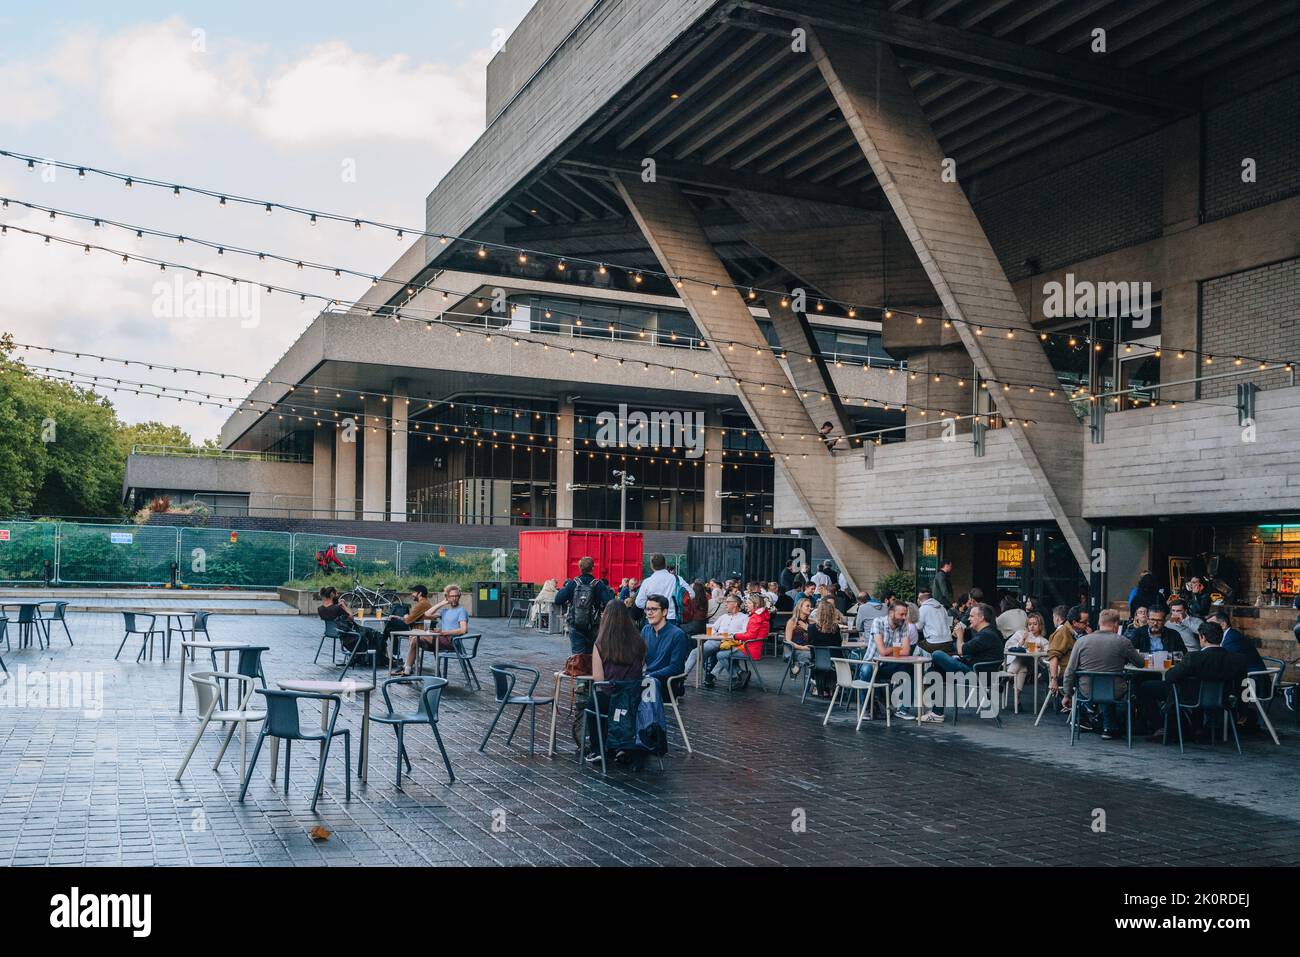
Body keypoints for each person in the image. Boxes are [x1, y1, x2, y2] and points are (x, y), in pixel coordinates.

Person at [1150, 621, 1248, 742]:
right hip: (1224, 699)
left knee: (1148, 687)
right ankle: (1195, 728)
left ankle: (1163, 727)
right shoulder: (1237, 659)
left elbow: (1170, 677)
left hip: (1192, 699)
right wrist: (1243, 710)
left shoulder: (1193, 658)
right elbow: (1244, 685)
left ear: (1202, 637)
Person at [1060, 608, 1144, 740]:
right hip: (1115, 691)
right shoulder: (1123, 642)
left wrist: (1067, 694)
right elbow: (1140, 663)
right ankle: (1110, 727)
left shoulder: (1082, 641)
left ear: (1100, 623)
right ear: (1116, 624)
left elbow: (1070, 671)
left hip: (1087, 691)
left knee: (1099, 682)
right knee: (1115, 685)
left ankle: (1093, 716)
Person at [922, 602, 1002, 722]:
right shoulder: (990, 632)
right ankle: (937, 713)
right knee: (933, 672)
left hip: (977, 675)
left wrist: (960, 635)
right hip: (979, 672)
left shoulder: (986, 635)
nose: (969, 619)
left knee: (937, 654)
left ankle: (937, 713)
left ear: (982, 618)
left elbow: (961, 650)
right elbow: (969, 652)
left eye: (972, 616)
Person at [392, 584, 468, 677]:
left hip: (451, 641)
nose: (454, 598)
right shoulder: (445, 611)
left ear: (459, 596)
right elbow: (427, 614)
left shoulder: (461, 611)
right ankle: (407, 669)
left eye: (456, 596)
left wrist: (444, 632)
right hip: (441, 639)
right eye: (451, 596)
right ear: (447, 597)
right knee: (414, 635)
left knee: (415, 638)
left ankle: (407, 669)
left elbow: (463, 630)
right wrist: (442, 603)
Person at [858, 600, 917, 718]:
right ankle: (866, 709)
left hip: (889, 664)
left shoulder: (904, 625)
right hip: (872, 662)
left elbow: (906, 651)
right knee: (866, 670)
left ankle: (903, 709)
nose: (904, 617)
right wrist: (896, 648)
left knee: (909, 668)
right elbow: (882, 651)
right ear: (891, 613)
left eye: (905, 614)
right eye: (901, 614)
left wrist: (891, 650)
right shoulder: (878, 622)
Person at [554, 557, 617, 657]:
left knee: (578, 657)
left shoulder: (573, 583)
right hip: (592, 626)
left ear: (580, 568)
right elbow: (610, 602)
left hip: (575, 624)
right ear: (592, 568)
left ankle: (578, 670)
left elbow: (558, 599)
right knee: (592, 657)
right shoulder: (598, 584)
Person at [688, 593, 748, 687]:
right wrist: (715, 634)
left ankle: (713, 676)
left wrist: (730, 636)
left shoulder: (744, 618)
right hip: (716, 640)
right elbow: (713, 628)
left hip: (731, 642)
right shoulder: (723, 616)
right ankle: (682, 676)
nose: (725, 604)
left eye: (728, 602)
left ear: (735, 604)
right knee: (695, 652)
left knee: (723, 653)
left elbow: (744, 632)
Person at [712, 594, 770, 686]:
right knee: (725, 652)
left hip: (750, 649)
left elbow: (750, 635)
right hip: (752, 647)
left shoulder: (756, 617)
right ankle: (739, 673)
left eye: (749, 603)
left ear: (756, 604)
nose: (747, 605)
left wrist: (735, 636)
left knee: (720, 655)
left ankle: (737, 675)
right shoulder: (760, 615)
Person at [641, 595, 689, 695]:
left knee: (628, 693)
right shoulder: (646, 630)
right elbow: (638, 658)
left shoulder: (677, 634)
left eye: (654, 609)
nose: (649, 613)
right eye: (647, 609)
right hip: (648, 681)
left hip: (667, 684)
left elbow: (676, 668)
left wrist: (649, 676)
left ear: (664, 612)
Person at [1046, 604, 1089, 705]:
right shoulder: (1063, 632)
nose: (1088, 624)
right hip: (1068, 676)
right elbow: (1053, 657)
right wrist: (1054, 679)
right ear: (1074, 622)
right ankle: (1084, 710)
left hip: (1080, 673)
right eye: (1085, 622)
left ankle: (1083, 711)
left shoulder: (1081, 633)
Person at [805, 597, 845, 697]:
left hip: (818, 662)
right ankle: (832, 687)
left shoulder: (811, 628)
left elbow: (811, 643)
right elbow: (838, 644)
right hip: (835, 663)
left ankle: (820, 687)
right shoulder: (835, 628)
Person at [1005, 610, 1048, 695]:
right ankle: (1017, 702)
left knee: (1022, 659)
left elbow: (1046, 661)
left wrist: (1042, 650)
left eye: (1035, 624)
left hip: (1033, 667)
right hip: (1013, 664)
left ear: (1040, 626)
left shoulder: (1044, 641)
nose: (1032, 626)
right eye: (1029, 624)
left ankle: (1007, 677)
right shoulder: (1021, 633)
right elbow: (1008, 646)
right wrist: (1021, 642)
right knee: (1022, 667)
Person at [636, 554, 683, 621]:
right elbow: (691, 594)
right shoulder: (677, 579)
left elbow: (639, 603)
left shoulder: (647, 582)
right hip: (672, 618)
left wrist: (652, 607)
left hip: (652, 618)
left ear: (652, 566)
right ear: (665, 564)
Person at [915, 586, 953, 654]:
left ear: (919, 598)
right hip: (948, 642)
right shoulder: (942, 607)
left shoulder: (923, 609)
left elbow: (918, 627)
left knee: (915, 646)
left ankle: (923, 664)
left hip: (933, 643)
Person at [785, 597, 814, 675]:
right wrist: (802, 648)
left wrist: (808, 628)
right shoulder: (792, 622)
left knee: (821, 656)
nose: (810, 608)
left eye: (811, 606)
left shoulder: (812, 622)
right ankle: (814, 681)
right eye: (807, 606)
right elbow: (788, 641)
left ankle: (815, 682)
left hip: (810, 649)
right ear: (800, 607)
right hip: (797, 649)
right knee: (815, 658)